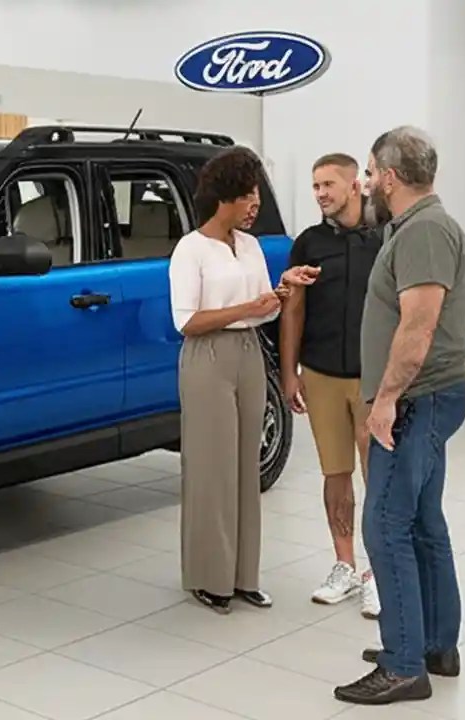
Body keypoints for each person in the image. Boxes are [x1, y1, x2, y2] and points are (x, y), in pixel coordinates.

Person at [334, 126, 465, 705]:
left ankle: (403, 664)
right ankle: (435, 645)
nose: (364, 182)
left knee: (385, 525)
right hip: (429, 396)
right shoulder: (422, 228)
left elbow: (418, 326)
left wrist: (386, 399)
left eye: (369, 172)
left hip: (417, 399)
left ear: (390, 177)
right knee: (421, 522)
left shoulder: (423, 232)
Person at [169, 147, 317, 614]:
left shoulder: (250, 245)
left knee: (246, 467)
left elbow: (264, 303)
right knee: (212, 467)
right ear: (226, 196)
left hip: (250, 354)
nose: (256, 205)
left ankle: (243, 575)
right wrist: (246, 310)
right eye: (249, 196)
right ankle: (208, 576)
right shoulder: (190, 249)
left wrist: (283, 288)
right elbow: (187, 320)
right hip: (207, 356)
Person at [280, 153, 384, 617]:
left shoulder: (385, 238)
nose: (320, 193)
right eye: (315, 185)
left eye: (328, 184)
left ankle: (378, 572)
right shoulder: (309, 243)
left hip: (371, 378)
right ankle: (344, 565)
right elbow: (294, 309)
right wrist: (288, 371)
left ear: (356, 185)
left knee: (376, 476)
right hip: (320, 373)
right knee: (335, 474)